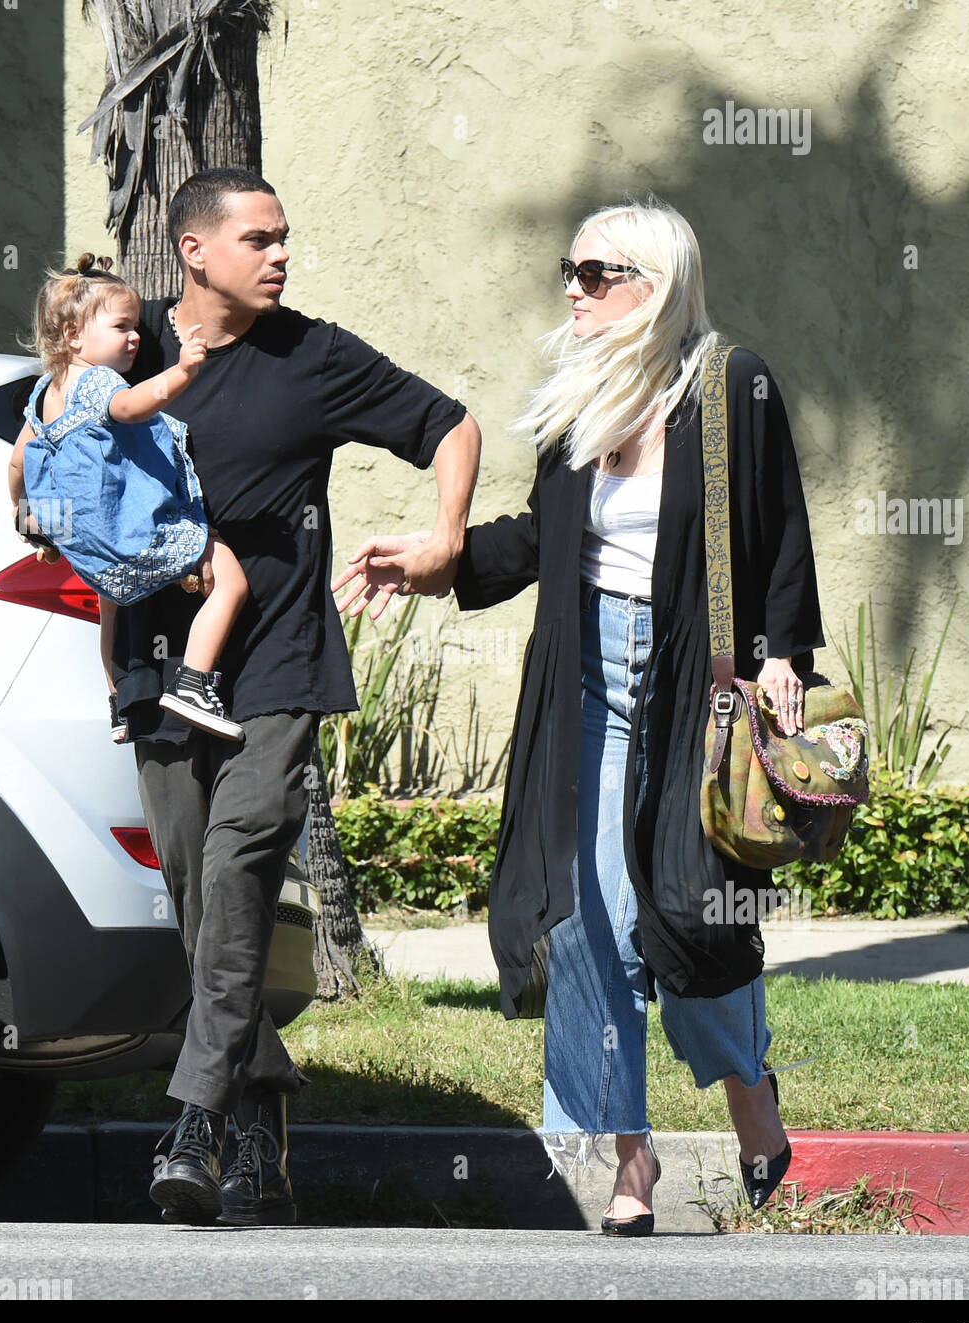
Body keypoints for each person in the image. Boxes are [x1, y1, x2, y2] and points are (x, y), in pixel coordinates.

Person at [337, 199, 823, 1234]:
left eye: (597, 272)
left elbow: (781, 526)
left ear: (654, 283)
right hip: (587, 677)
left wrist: (784, 655)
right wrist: (443, 561)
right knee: (587, 914)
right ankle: (628, 1159)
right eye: (571, 268)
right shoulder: (577, 398)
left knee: (689, 910)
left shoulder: (729, 384)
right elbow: (539, 541)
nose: (573, 287)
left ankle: (748, 1089)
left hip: (700, 682)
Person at [110, 168, 480, 1226]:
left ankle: (192, 1121)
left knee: (233, 871)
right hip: (156, 667)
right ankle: (262, 1122)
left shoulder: (311, 355)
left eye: (285, 237)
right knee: (198, 897)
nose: (281, 255)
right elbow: (51, 440)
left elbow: (450, 424)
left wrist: (447, 536)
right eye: (261, 239)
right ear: (195, 251)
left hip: (275, 669)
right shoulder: (130, 349)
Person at [7, 253, 250, 741]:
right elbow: (133, 406)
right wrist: (182, 372)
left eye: (136, 326)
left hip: (89, 541)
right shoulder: (99, 382)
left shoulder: (42, 395)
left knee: (111, 608)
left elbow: (19, 463)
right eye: (122, 326)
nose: (136, 336)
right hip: (136, 530)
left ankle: (119, 699)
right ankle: (193, 683)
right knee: (232, 582)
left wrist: (27, 516)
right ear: (74, 335)